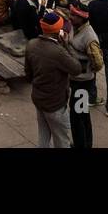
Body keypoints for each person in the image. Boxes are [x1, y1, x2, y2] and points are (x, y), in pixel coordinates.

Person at [24, 10, 81, 148]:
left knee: (43, 136)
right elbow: (77, 68)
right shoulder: (58, 52)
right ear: (58, 30)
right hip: (55, 104)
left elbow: (28, 74)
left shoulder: (31, 44)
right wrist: (67, 45)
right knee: (62, 140)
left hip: (38, 98)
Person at [67, 2, 103, 149]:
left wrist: (86, 70)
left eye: (74, 15)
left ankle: (81, 145)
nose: (71, 17)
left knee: (77, 117)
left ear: (82, 18)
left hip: (82, 83)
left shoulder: (89, 37)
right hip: (76, 80)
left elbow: (98, 63)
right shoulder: (75, 28)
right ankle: (86, 143)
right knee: (83, 114)